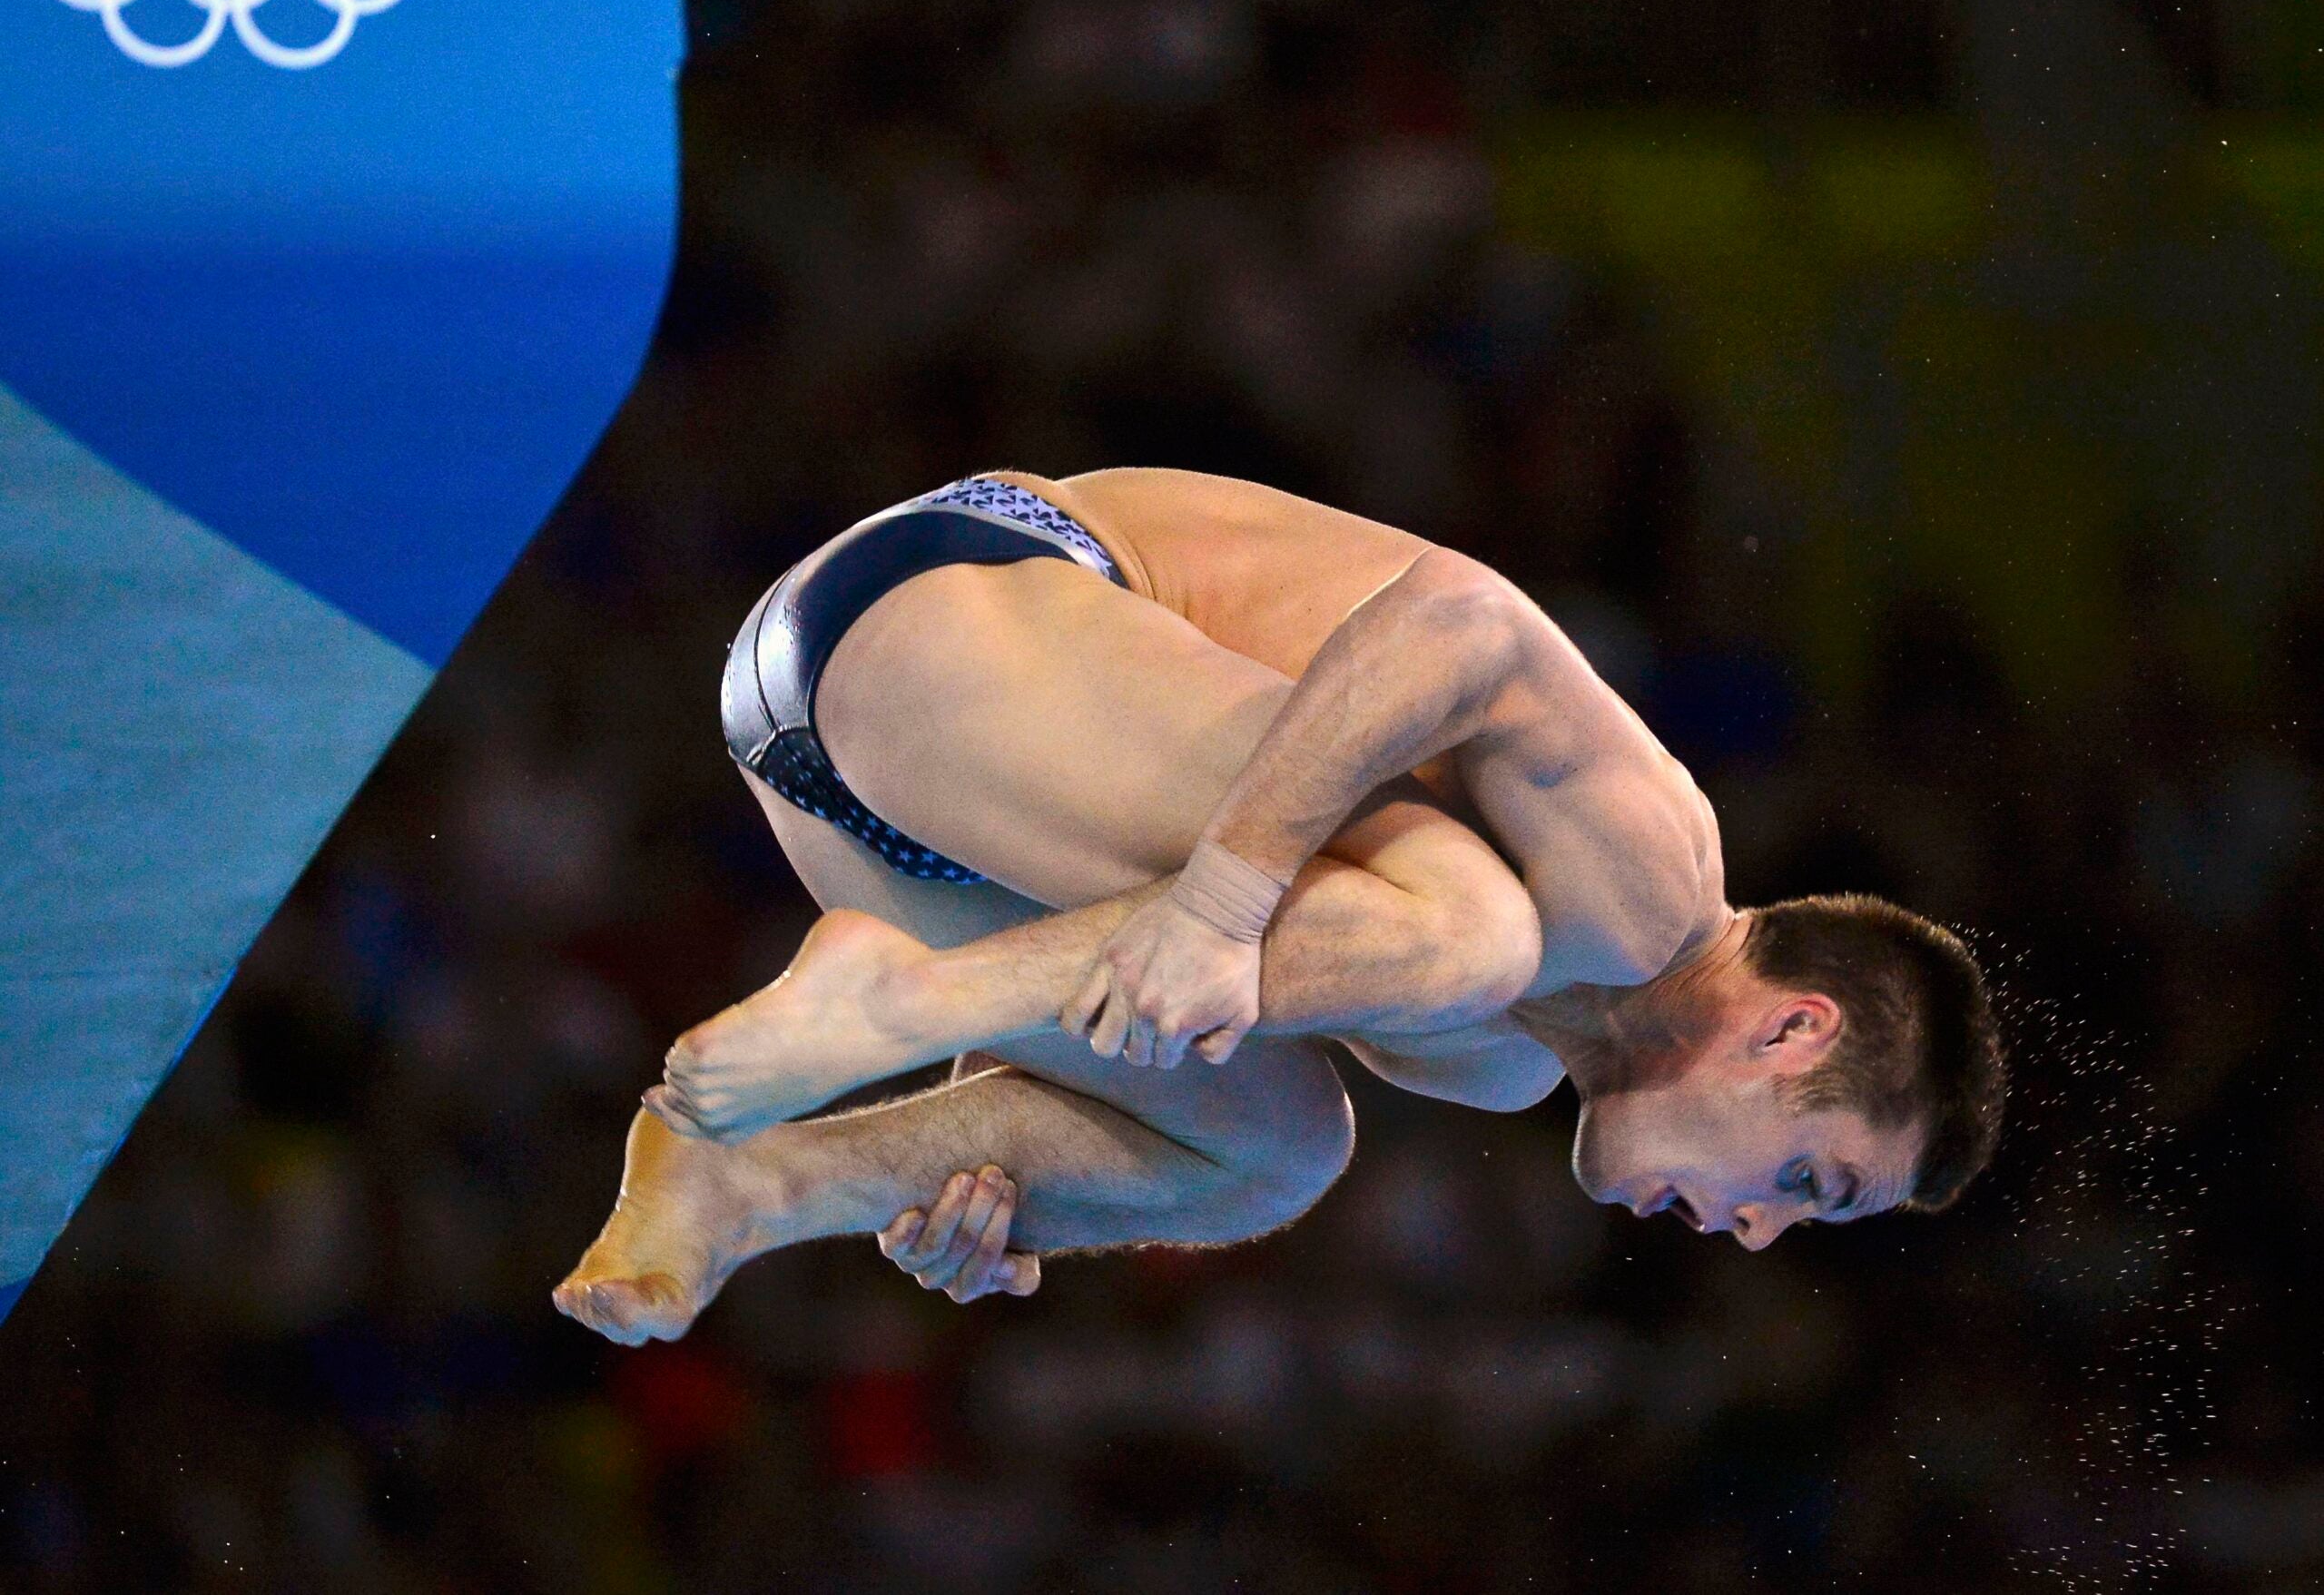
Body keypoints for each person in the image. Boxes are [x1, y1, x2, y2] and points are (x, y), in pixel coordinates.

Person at [555, 469, 2004, 1344]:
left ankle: (749, 1184)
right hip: (945, 597)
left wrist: (986, 1161)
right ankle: (897, 1002)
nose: (1755, 1235)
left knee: (1275, 1153)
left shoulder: (1503, 1065)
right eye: (1809, 1184)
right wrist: (1229, 894)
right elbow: (1466, 620)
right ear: (1792, 1031)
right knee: (1472, 924)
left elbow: (1126, 922)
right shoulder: (1659, 887)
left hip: (874, 794)